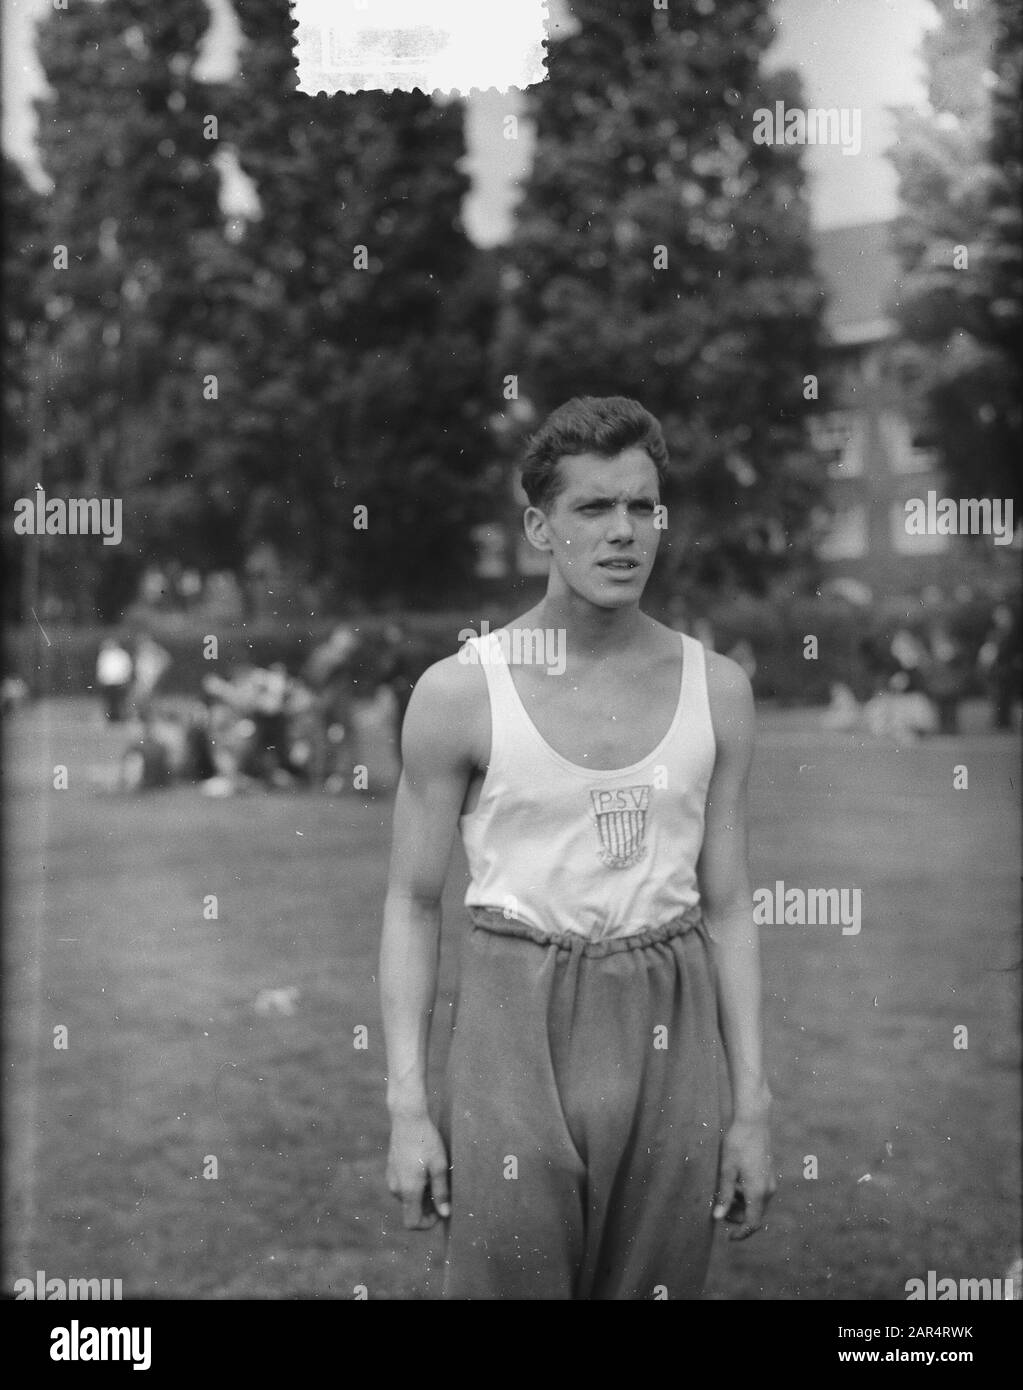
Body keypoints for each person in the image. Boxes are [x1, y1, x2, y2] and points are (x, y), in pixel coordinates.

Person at [380, 396, 774, 1301]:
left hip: (668, 1013)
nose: (623, 532)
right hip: (513, 1017)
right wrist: (407, 1105)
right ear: (538, 527)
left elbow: (729, 906)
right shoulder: (459, 693)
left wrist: (750, 1102)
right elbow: (410, 902)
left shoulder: (717, 690)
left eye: (642, 507)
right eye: (593, 509)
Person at [95, 636, 133, 722]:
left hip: (119, 682)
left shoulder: (122, 654)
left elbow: (127, 668)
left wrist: (125, 679)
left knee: (119, 702)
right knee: (109, 701)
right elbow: (101, 669)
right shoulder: (104, 654)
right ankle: (111, 719)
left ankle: (120, 718)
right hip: (107, 682)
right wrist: (101, 679)